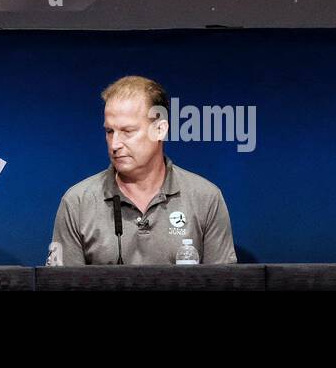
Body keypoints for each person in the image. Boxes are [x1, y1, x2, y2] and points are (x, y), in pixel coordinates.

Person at [50, 75, 237, 265]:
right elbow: (62, 284)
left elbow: (224, 283)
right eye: (109, 131)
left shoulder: (205, 198)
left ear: (160, 130)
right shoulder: (77, 203)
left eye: (128, 131)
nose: (115, 144)